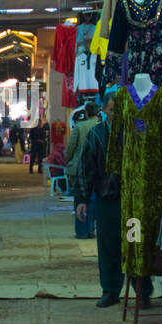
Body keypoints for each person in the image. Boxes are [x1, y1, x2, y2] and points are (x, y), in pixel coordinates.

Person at [75, 90, 123, 307]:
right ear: (104, 110)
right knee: (107, 246)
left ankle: (143, 290)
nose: (116, 114)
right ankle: (110, 291)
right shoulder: (95, 135)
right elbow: (86, 169)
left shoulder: (134, 134)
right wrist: (82, 200)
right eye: (112, 109)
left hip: (131, 204)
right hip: (106, 202)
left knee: (135, 242)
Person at [66, 100, 100, 238]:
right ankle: (91, 228)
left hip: (79, 168)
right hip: (97, 168)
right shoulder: (100, 126)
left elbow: (70, 148)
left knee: (80, 199)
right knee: (93, 199)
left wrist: (68, 161)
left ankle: (82, 230)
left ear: (86, 113)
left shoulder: (79, 126)